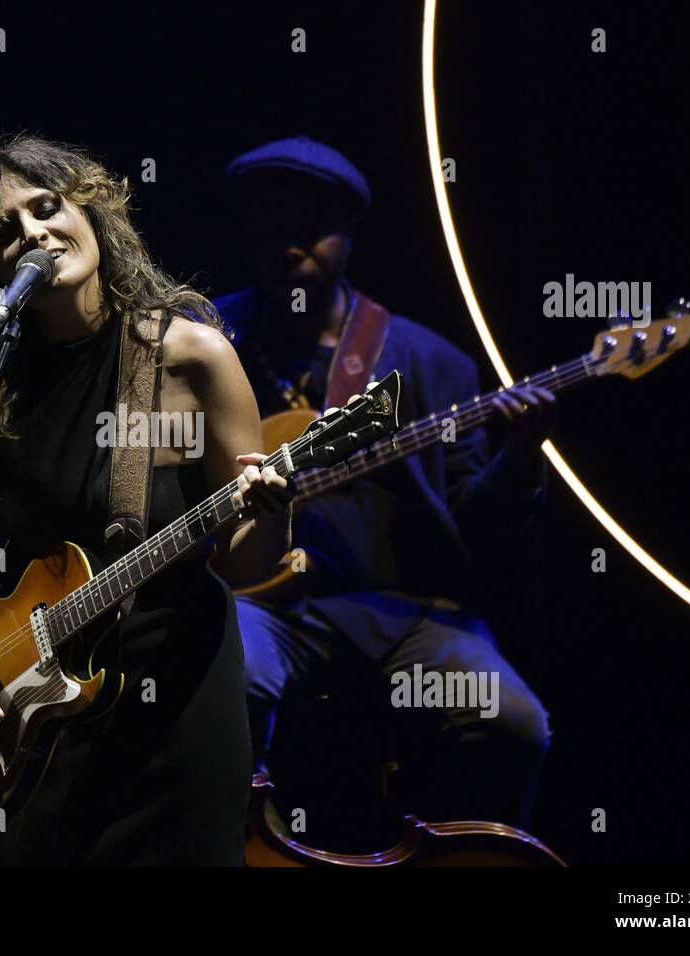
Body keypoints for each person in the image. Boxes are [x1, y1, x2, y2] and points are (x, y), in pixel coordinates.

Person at [0, 133, 293, 865]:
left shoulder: (187, 356)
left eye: (47, 208)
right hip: (33, 708)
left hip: (176, 696)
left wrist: (274, 511)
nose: (33, 233)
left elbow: (245, 566)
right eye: (5, 232)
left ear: (93, 211)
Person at [215, 136, 553, 829]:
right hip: (263, 609)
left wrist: (519, 462)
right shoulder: (207, 341)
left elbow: (476, 528)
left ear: (348, 237)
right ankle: (239, 848)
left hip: (405, 614)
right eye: (271, 232)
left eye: (310, 232)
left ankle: (441, 855)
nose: (290, 250)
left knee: (513, 718)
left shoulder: (432, 362)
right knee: (230, 676)